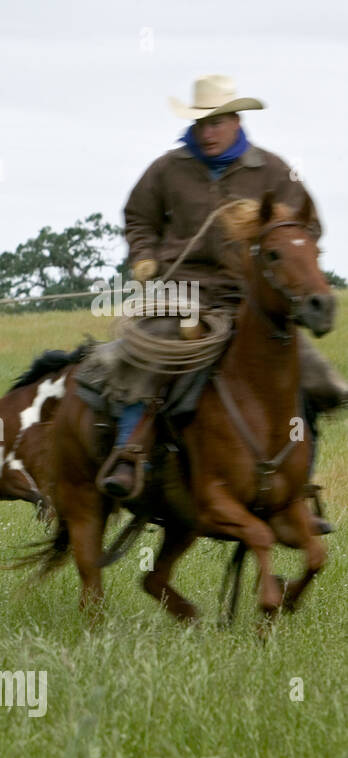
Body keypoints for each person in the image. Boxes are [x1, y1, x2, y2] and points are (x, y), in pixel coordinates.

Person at [97, 75, 346, 529]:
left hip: (250, 297)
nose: (208, 132)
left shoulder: (273, 170)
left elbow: (306, 227)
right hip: (183, 290)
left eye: (219, 122)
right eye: (202, 124)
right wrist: (145, 256)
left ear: (237, 121)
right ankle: (128, 456)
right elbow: (138, 217)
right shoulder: (166, 169)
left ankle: (298, 487)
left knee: (313, 378)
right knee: (147, 355)